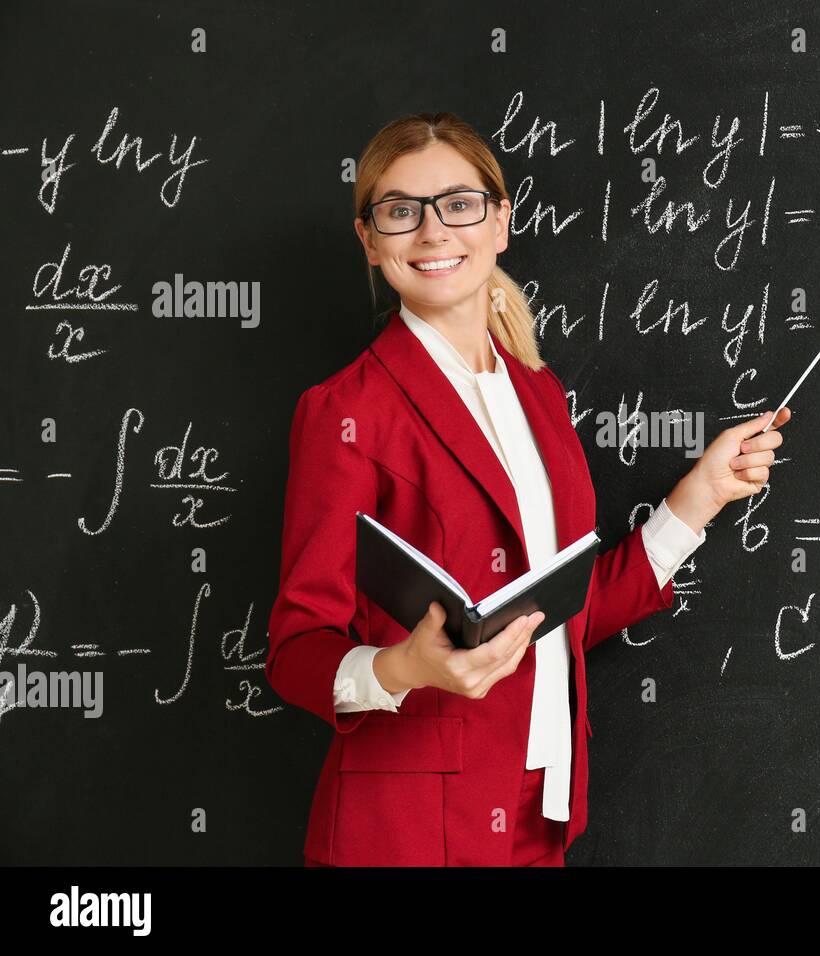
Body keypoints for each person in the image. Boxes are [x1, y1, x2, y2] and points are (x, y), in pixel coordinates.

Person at [266, 111, 792, 867]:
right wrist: (403, 669)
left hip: (540, 812)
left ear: (501, 220)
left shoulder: (538, 394)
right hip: (408, 831)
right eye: (400, 211)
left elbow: (555, 617)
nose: (433, 231)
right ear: (370, 240)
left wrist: (698, 499)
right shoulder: (345, 411)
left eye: (459, 203)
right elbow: (295, 652)